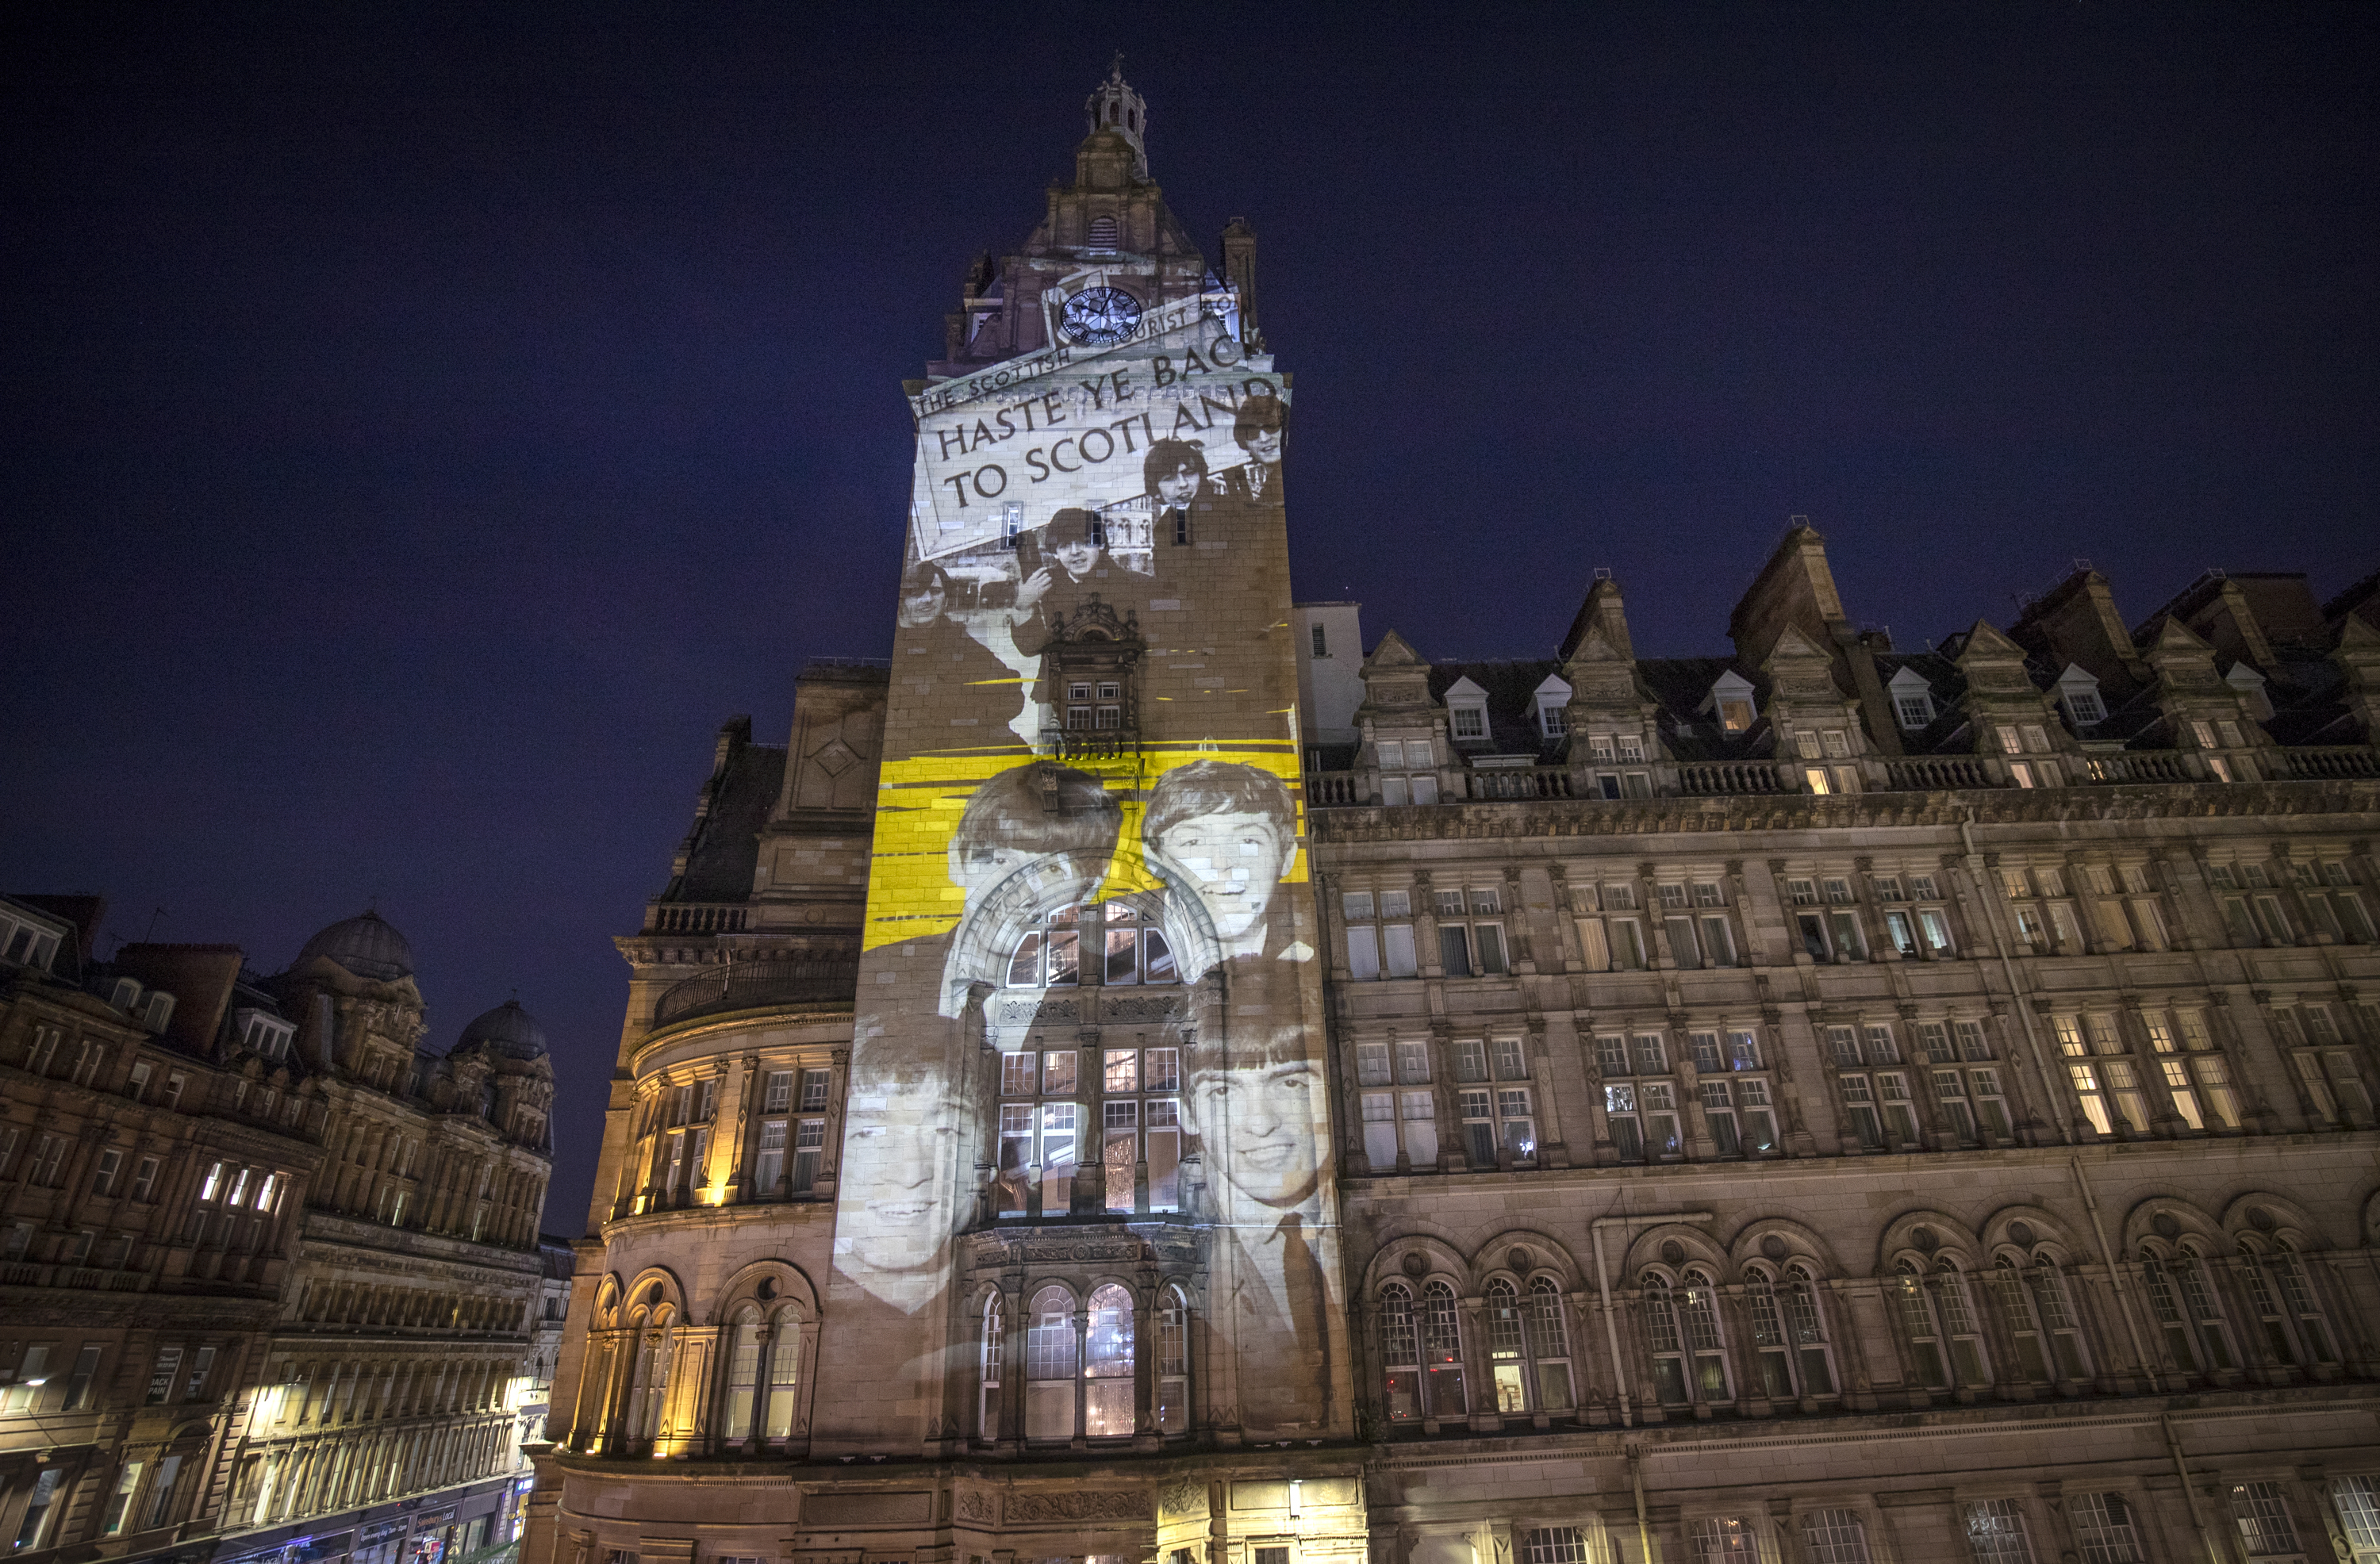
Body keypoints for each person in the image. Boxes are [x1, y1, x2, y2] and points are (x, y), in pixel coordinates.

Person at [838, 761, 1121, 1313]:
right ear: (959, 858)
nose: (1028, 889)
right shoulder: (898, 975)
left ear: (1093, 882)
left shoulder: (1093, 955)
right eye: (1004, 859)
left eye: (1060, 871)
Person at [1184, 1001, 1336, 1435]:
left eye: (1290, 1083)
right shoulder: (1193, 1254)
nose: (1260, 1123)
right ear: (1189, 1113)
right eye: (1224, 1091)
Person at [1142, 759, 1298, 972]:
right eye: (1193, 842)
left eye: (1248, 841)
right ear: (1155, 859)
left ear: (1287, 857)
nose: (1221, 863)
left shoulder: (1301, 961)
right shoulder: (1141, 945)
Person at [896, 557, 1028, 726]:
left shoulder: (958, 641)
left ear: (946, 597)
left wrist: (963, 720)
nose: (927, 599)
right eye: (916, 593)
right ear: (902, 599)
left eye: (935, 591)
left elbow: (1011, 694)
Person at [1217, 393, 1285, 509]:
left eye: (1271, 426)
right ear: (1245, 445)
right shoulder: (1270, 491)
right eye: (1252, 433)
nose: (1264, 438)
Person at [1143, 438, 1208, 550]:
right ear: (1156, 490)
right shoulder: (1163, 530)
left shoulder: (1228, 514)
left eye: (1189, 473)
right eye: (1170, 478)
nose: (1183, 483)